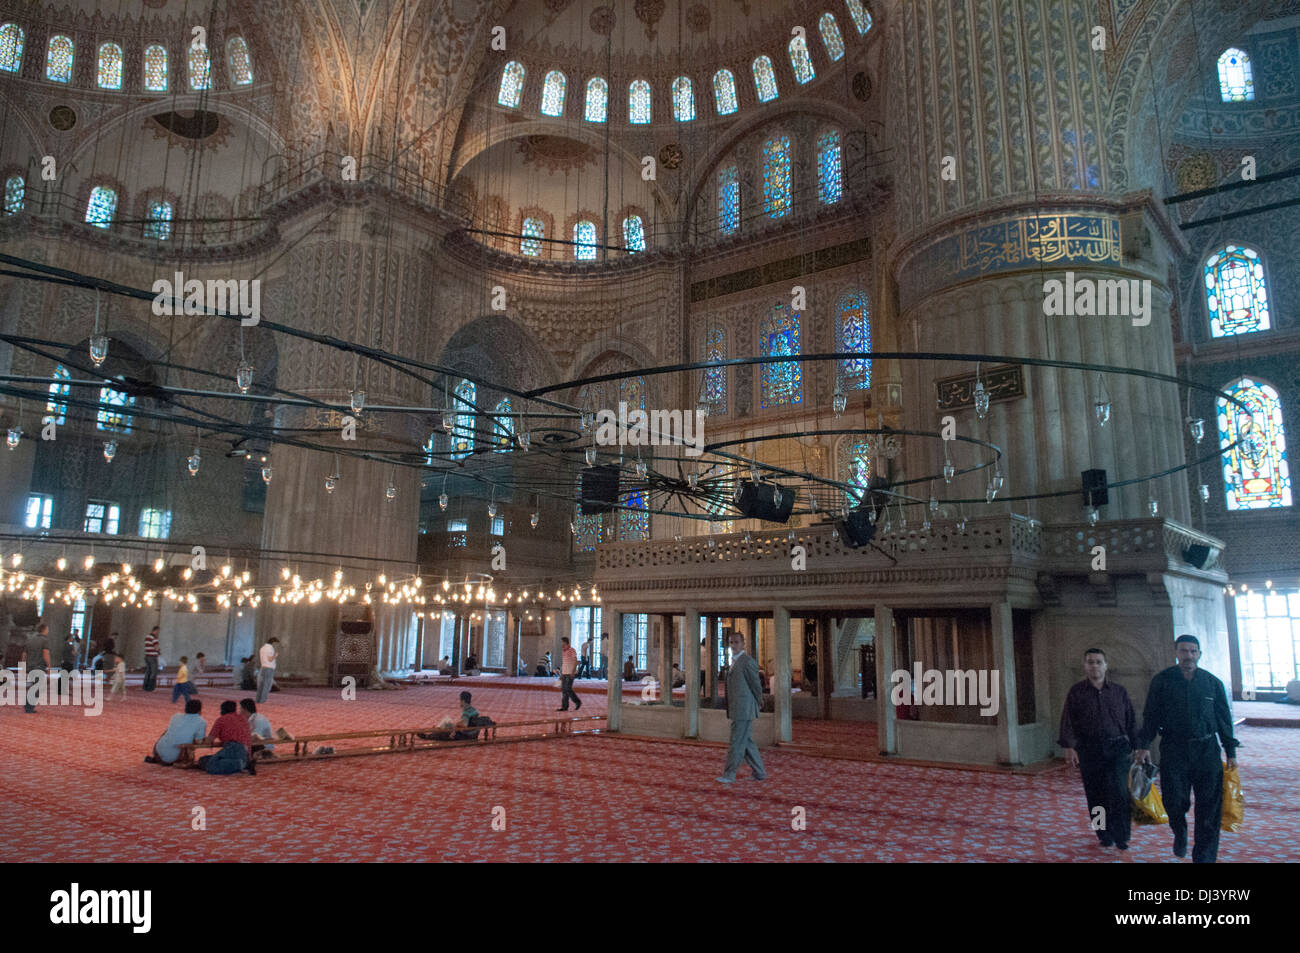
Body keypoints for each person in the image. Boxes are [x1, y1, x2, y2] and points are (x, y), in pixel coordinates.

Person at [1134, 635, 1239, 863]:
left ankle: (1204, 856)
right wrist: (1143, 745)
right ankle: (1179, 831)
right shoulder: (1162, 681)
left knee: (1210, 807)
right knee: (1174, 801)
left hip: (1207, 750)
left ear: (1199, 654)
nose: (1188, 656)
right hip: (1174, 749)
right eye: (1184, 651)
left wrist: (1230, 751)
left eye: (1193, 651)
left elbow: (1223, 719)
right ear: (1176, 653)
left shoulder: (1212, 683)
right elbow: (1151, 716)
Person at [1058, 648, 1137, 851]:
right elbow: (1068, 720)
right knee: (1096, 794)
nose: (1094, 666)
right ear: (1085, 666)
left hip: (1118, 748)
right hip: (1089, 749)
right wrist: (1070, 746)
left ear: (1106, 665)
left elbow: (1131, 719)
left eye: (1098, 662)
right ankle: (1103, 833)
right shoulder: (1076, 692)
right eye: (1090, 662)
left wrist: (1139, 746)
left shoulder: (1119, 691)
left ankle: (1122, 835)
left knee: (1120, 792)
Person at [717, 631, 766, 783]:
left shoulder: (747, 661)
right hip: (737, 707)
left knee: (737, 742)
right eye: (731, 642)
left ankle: (729, 774)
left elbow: (755, 684)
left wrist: (759, 700)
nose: (733, 645)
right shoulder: (734, 662)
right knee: (746, 742)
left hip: (744, 708)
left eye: (736, 642)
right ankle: (760, 772)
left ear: (743, 643)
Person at [197, 700, 255, 775]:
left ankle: (239, 765)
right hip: (246, 752)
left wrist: (202, 740)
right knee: (204, 760)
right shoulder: (243, 719)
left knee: (210, 765)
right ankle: (241, 764)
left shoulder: (221, 720)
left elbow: (209, 740)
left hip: (233, 747)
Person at [146, 699, 206, 765]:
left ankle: (162, 757)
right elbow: (199, 741)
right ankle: (181, 759)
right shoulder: (201, 722)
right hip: (175, 758)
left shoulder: (176, 716)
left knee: (167, 732)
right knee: (191, 741)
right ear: (199, 710)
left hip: (157, 752)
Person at [418, 690, 483, 741]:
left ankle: (428, 736)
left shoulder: (466, 711)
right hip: (474, 733)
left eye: (460, 700)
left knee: (444, 732)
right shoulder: (473, 710)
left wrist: (455, 726)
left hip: (467, 735)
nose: (459, 702)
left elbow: (464, 725)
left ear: (463, 701)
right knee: (447, 724)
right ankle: (437, 729)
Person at [20, 623, 52, 714]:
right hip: (39, 666)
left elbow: (24, 654)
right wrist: (49, 666)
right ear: (44, 630)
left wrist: (23, 665)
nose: (48, 631)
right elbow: (46, 654)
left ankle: (28, 705)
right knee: (37, 688)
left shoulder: (30, 639)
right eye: (47, 629)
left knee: (32, 686)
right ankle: (29, 707)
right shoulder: (44, 640)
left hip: (30, 667)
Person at [556, 636, 582, 712]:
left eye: (562, 642)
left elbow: (575, 661)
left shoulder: (572, 650)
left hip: (570, 673)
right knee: (564, 690)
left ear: (565, 642)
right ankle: (564, 707)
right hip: (564, 673)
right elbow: (564, 663)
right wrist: (561, 673)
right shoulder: (564, 651)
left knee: (568, 689)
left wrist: (573, 672)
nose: (561, 644)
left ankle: (578, 702)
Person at [256, 637, 280, 703]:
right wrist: (275, 655)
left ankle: (258, 700)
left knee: (261, 685)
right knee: (266, 686)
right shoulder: (270, 648)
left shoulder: (262, 648)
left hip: (263, 667)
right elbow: (270, 659)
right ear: (274, 642)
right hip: (269, 668)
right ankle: (263, 701)